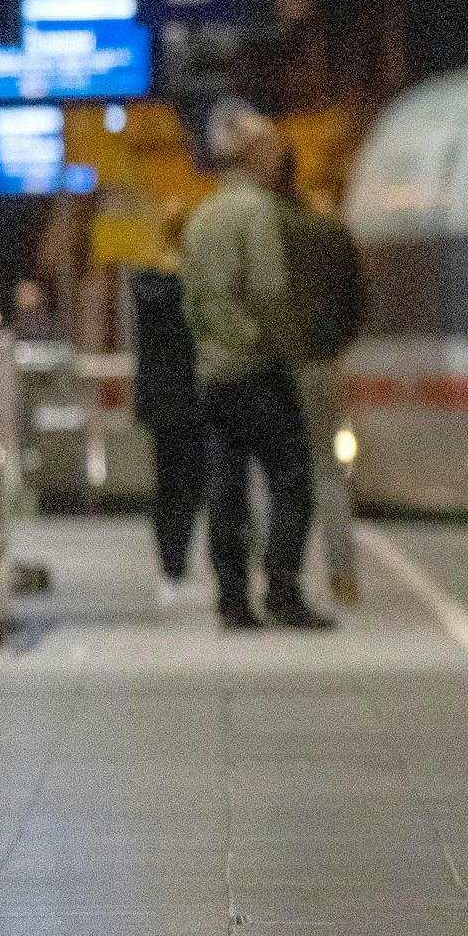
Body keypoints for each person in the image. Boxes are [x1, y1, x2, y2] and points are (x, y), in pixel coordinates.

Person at [178, 99, 329, 630]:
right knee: (292, 479)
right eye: (269, 151)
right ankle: (283, 589)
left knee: (226, 485)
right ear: (253, 156)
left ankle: (232, 598)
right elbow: (269, 290)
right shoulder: (257, 212)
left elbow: (190, 300)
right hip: (258, 369)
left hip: (212, 374)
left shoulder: (201, 217)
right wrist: (294, 345)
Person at [279, 140, 366, 608]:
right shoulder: (330, 232)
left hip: (268, 365)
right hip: (318, 365)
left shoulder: (269, 228)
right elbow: (357, 302)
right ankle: (342, 575)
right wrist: (331, 347)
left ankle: (274, 574)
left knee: (268, 473)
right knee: (328, 472)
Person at [125, 224, 206, 603]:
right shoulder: (192, 288)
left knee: (164, 481)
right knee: (189, 484)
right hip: (190, 396)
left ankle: (168, 559)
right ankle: (179, 556)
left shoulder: (142, 287)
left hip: (156, 399)